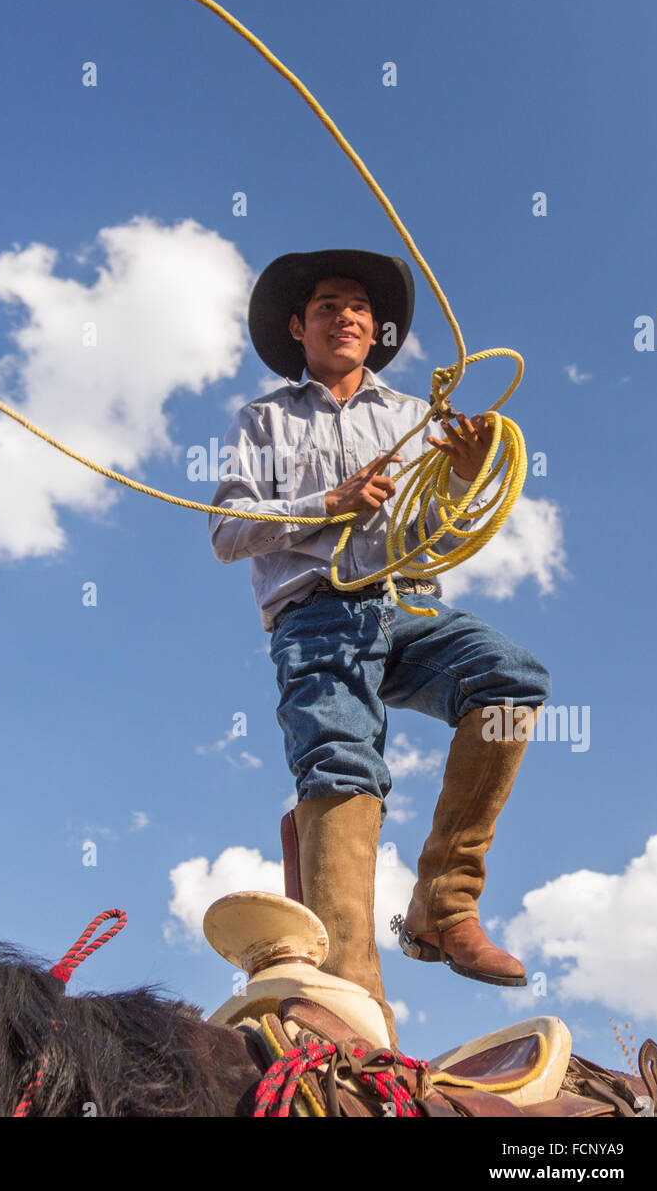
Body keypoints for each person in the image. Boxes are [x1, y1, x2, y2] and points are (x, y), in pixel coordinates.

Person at [208, 249, 551, 1050]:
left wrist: (462, 480)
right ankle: (357, 1010)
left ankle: (444, 906)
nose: (347, 317)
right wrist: (327, 504)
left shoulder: (412, 420)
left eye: (359, 307)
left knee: (510, 681)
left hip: (403, 606)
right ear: (299, 327)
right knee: (340, 765)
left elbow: (433, 537)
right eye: (328, 306)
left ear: (375, 328)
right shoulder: (263, 418)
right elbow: (227, 533)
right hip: (315, 616)